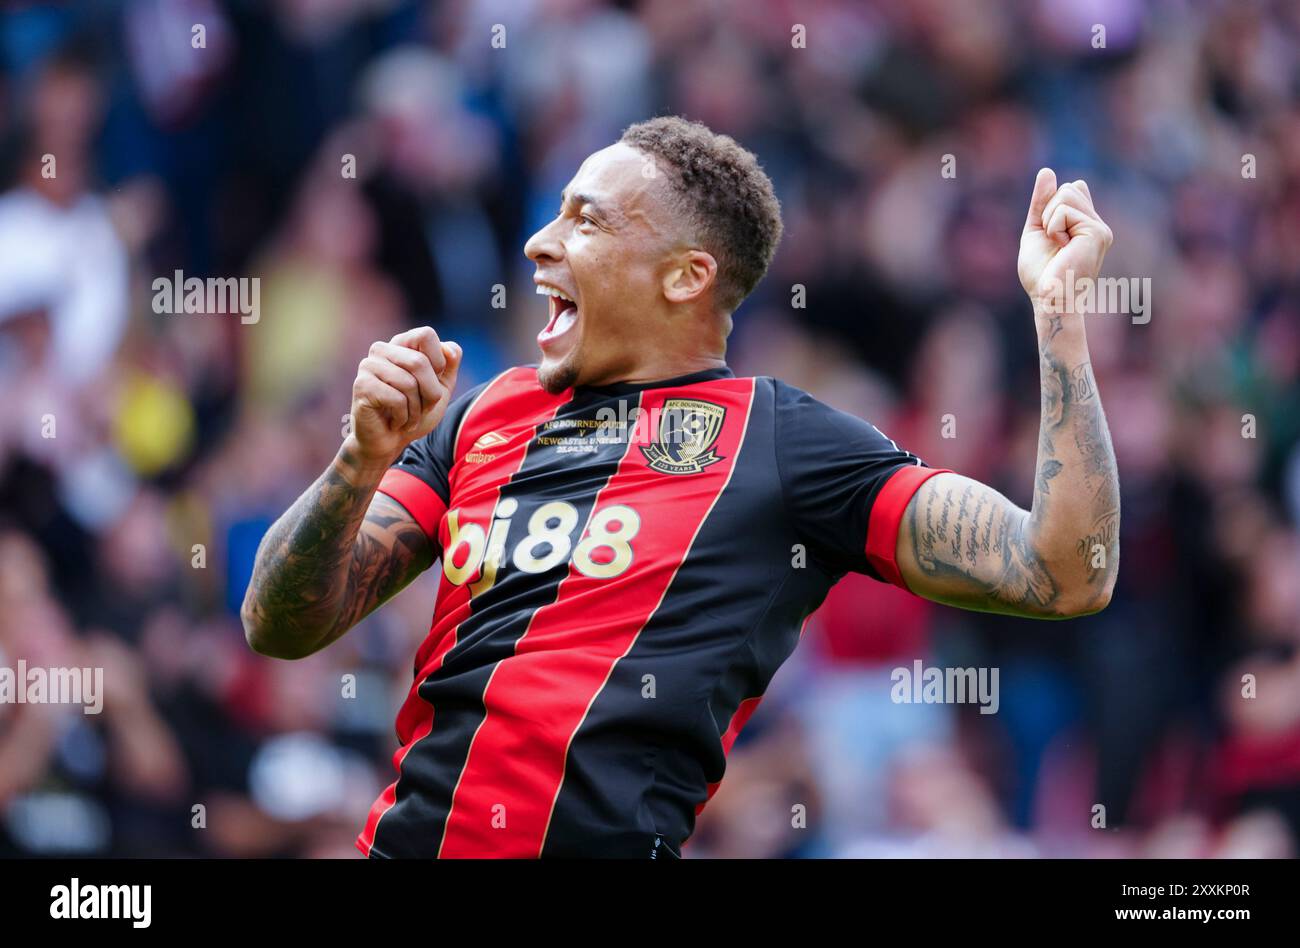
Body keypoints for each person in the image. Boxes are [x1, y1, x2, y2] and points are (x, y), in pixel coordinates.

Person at [240, 116, 1120, 858]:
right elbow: (279, 626)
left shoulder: (786, 444)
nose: (540, 243)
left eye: (585, 222)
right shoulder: (482, 417)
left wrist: (1058, 321)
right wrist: (358, 463)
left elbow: (1065, 570)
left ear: (685, 275)